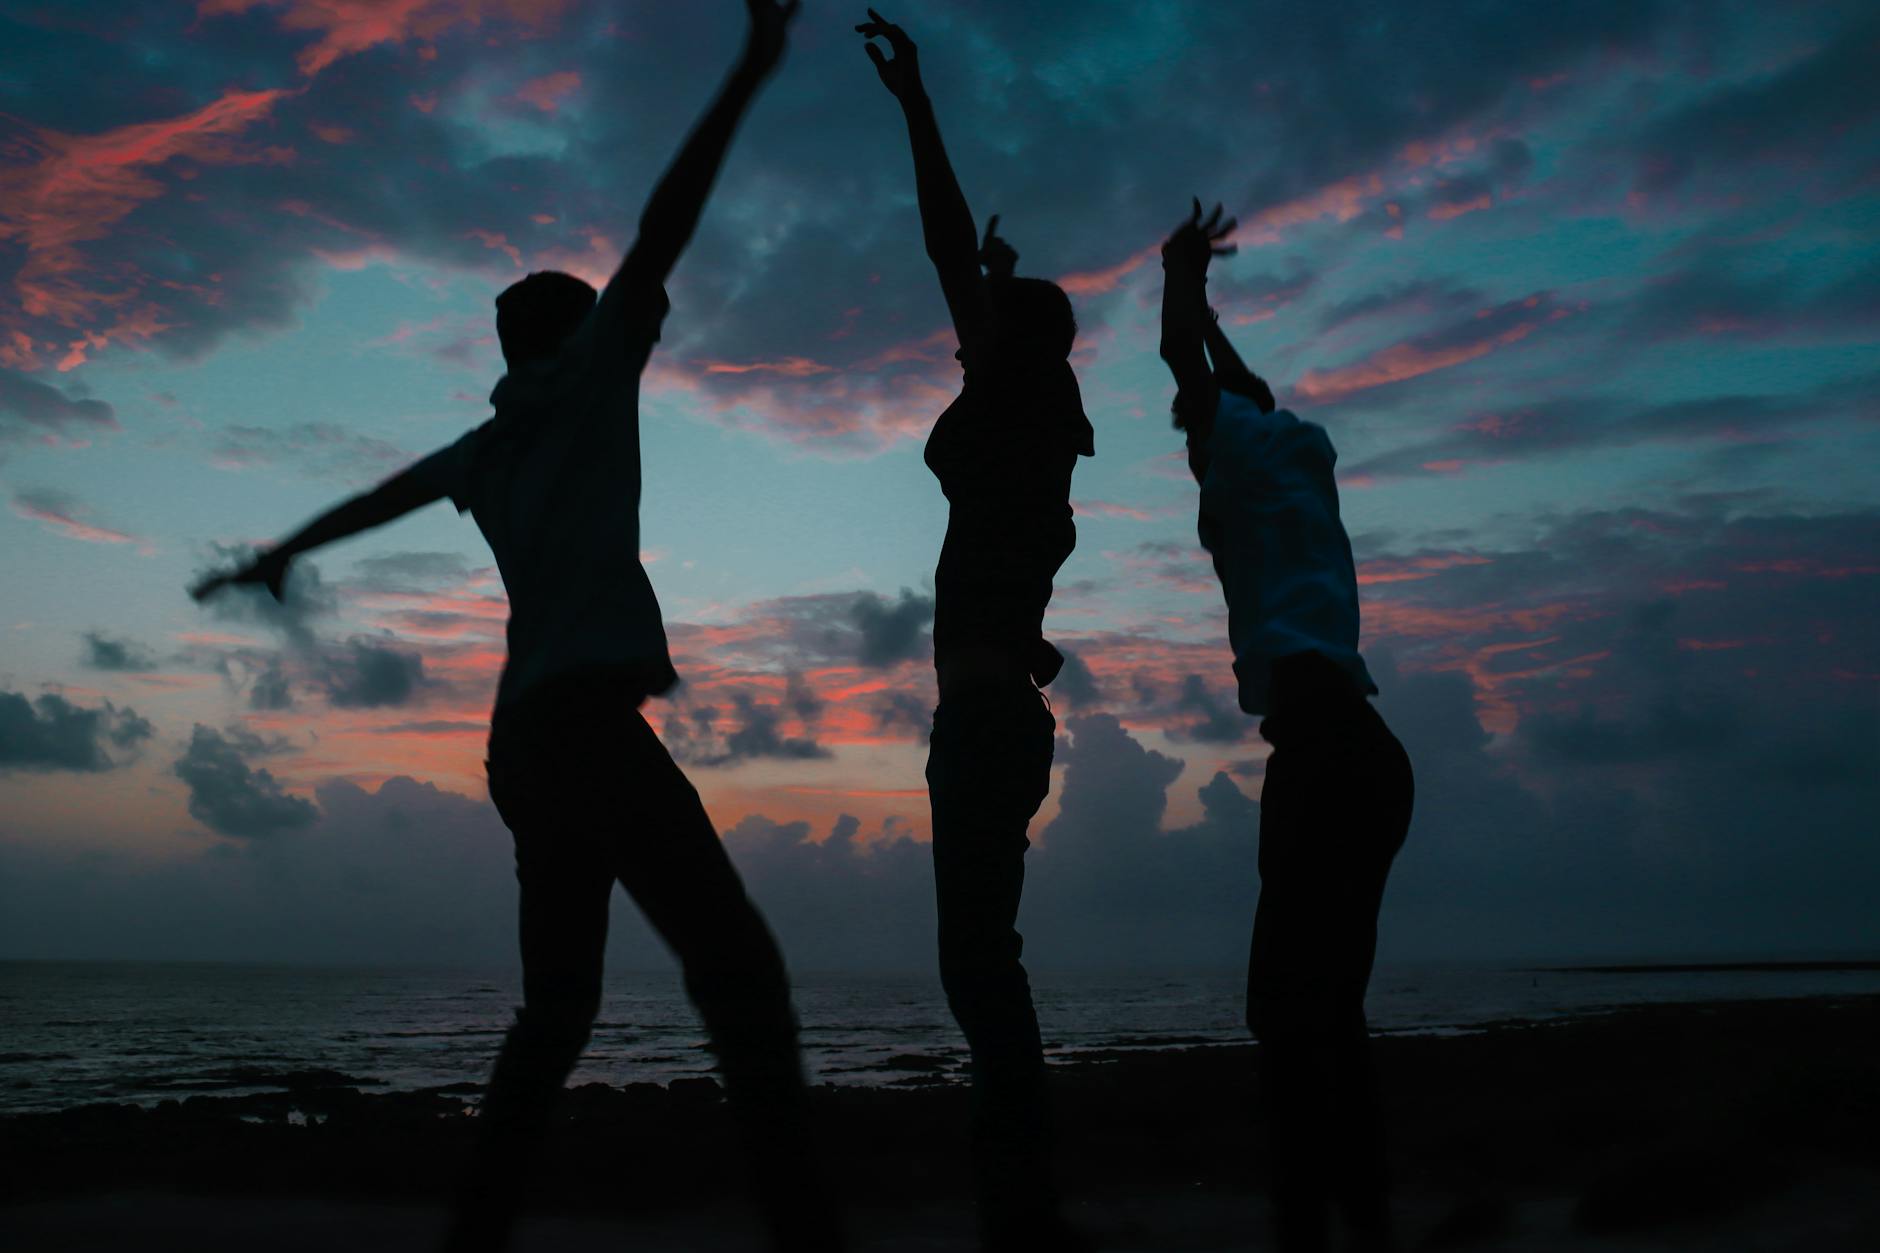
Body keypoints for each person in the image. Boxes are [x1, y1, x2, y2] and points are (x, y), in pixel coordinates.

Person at [191, 5, 843, 1251]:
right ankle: (809, 1233)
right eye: (610, 319)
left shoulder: (486, 446)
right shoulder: (592, 382)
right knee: (742, 977)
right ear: (581, 332)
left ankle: (475, 1228)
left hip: (522, 753)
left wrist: (275, 555)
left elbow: (378, 497)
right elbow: (666, 226)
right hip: (589, 731)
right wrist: (751, 67)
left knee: (557, 1008)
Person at [855, 10, 1095, 1251]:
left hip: (988, 714)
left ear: (1012, 352)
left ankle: (1024, 1202)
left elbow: (945, 245)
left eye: (983, 334)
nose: (966, 339)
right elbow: (979, 292)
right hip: (1001, 707)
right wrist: (1000, 294)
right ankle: (1021, 1193)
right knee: (980, 958)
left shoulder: (1017, 404)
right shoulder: (1041, 426)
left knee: (976, 965)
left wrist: (913, 102)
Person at [1157, 200, 1416, 1253]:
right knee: (1329, 1007)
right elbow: (1225, 378)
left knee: (1284, 1008)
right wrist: (1211, 319)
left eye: (1188, 431)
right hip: (1370, 752)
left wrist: (1180, 275)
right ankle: (1356, 1218)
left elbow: (1186, 364)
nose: (1185, 442)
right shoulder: (1302, 453)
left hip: (1320, 751)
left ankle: (1311, 1221)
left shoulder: (1233, 456)